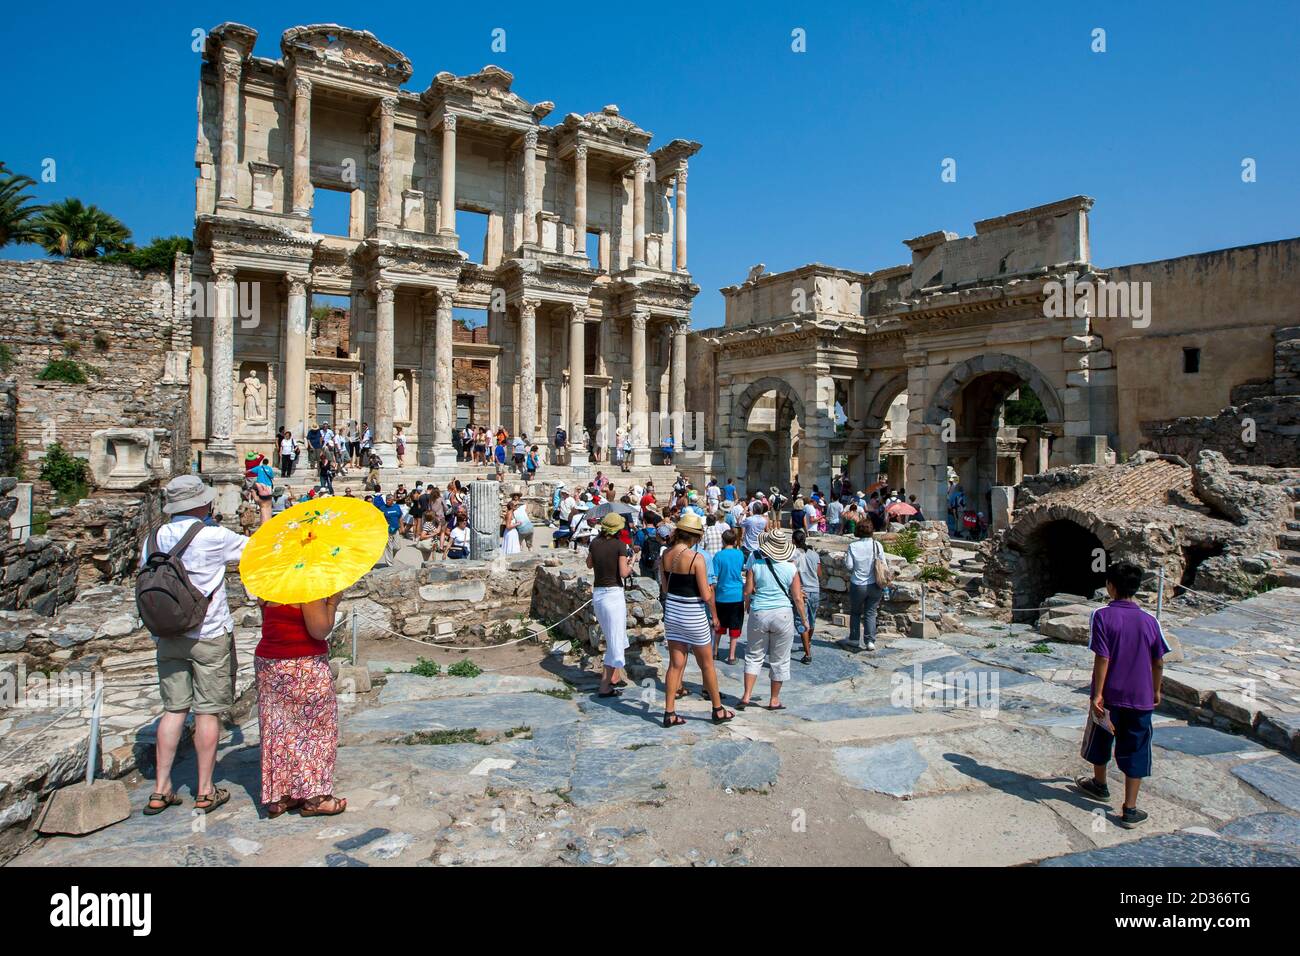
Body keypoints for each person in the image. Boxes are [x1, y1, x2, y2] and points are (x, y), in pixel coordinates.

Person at [138, 476, 248, 816]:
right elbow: (261, 551)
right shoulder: (214, 536)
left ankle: (160, 789)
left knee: (173, 711)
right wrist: (263, 507)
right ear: (203, 503)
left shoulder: (152, 537)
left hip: (168, 634)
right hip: (209, 633)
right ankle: (204, 790)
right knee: (207, 713)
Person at [1076, 562, 1170, 829]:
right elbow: (1159, 661)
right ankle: (1130, 808)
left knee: (1100, 739)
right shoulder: (1151, 621)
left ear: (1110, 586)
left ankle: (1100, 784)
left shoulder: (1102, 615)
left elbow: (1102, 657)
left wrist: (1097, 694)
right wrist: (1156, 689)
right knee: (1136, 748)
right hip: (1141, 697)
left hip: (1110, 695)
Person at [255, 589, 347, 818]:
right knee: (316, 732)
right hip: (302, 664)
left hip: (270, 664)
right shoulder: (306, 587)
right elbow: (319, 630)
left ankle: (282, 796)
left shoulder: (269, 584)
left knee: (280, 732)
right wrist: (333, 603)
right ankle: (317, 798)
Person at [659, 513, 734, 728]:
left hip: (672, 612)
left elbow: (665, 588)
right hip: (693, 614)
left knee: (675, 664)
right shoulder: (696, 558)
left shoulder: (666, 555)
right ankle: (718, 709)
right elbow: (706, 595)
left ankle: (669, 712)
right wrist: (710, 592)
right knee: (707, 664)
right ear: (694, 536)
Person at [738, 528, 806, 711]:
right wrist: (804, 620)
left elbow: (747, 591)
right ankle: (774, 699)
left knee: (753, 655)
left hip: (759, 611)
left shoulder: (756, 565)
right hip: (783, 613)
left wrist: (746, 608)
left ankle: (746, 696)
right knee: (780, 658)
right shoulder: (791, 568)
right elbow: (798, 597)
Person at [588, 513, 632, 697]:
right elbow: (623, 573)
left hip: (598, 594)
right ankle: (605, 686)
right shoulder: (620, 546)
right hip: (613, 594)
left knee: (613, 636)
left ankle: (614, 677)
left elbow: (589, 564)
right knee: (615, 640)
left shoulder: (594, 543)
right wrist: (631, 563)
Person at [843, 523, 885, 652]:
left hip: (858, 584)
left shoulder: (853, 546)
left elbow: (849, 566)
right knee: (871, 613)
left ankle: (854, 639)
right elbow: (882, 562)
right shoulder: (877, 545)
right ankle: (870, 641)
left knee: (855, 612)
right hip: (875, 584)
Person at [712, 529, 746, 664]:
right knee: (735, 625)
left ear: (723, 540)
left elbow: (715, 576)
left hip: (722, 594)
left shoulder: (718, 556)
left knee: (719, 626)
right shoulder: (740, 554)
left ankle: (714, 651)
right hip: (737, 594)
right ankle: (731, 656)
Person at [792, 529, 822, 665]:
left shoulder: (793, 555)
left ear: (793, 541)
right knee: (812, 618)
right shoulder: (814, 555)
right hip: (815, 589)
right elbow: (819, 573)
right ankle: (807, 643)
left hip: (802, 591)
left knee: (801, 620)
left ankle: (807, 653)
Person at [374, 491, 403, 564]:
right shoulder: (382, 508)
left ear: (392, 500)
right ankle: (389, 564)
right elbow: (378, 519)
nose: (387, 501)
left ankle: (390, 558)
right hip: (387, 530)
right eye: (387, 500)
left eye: (389, 500)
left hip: (396, 529)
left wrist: (402, 527)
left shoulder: (397, 507)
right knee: (388, 547)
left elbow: (400, 517)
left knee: (397, 547)